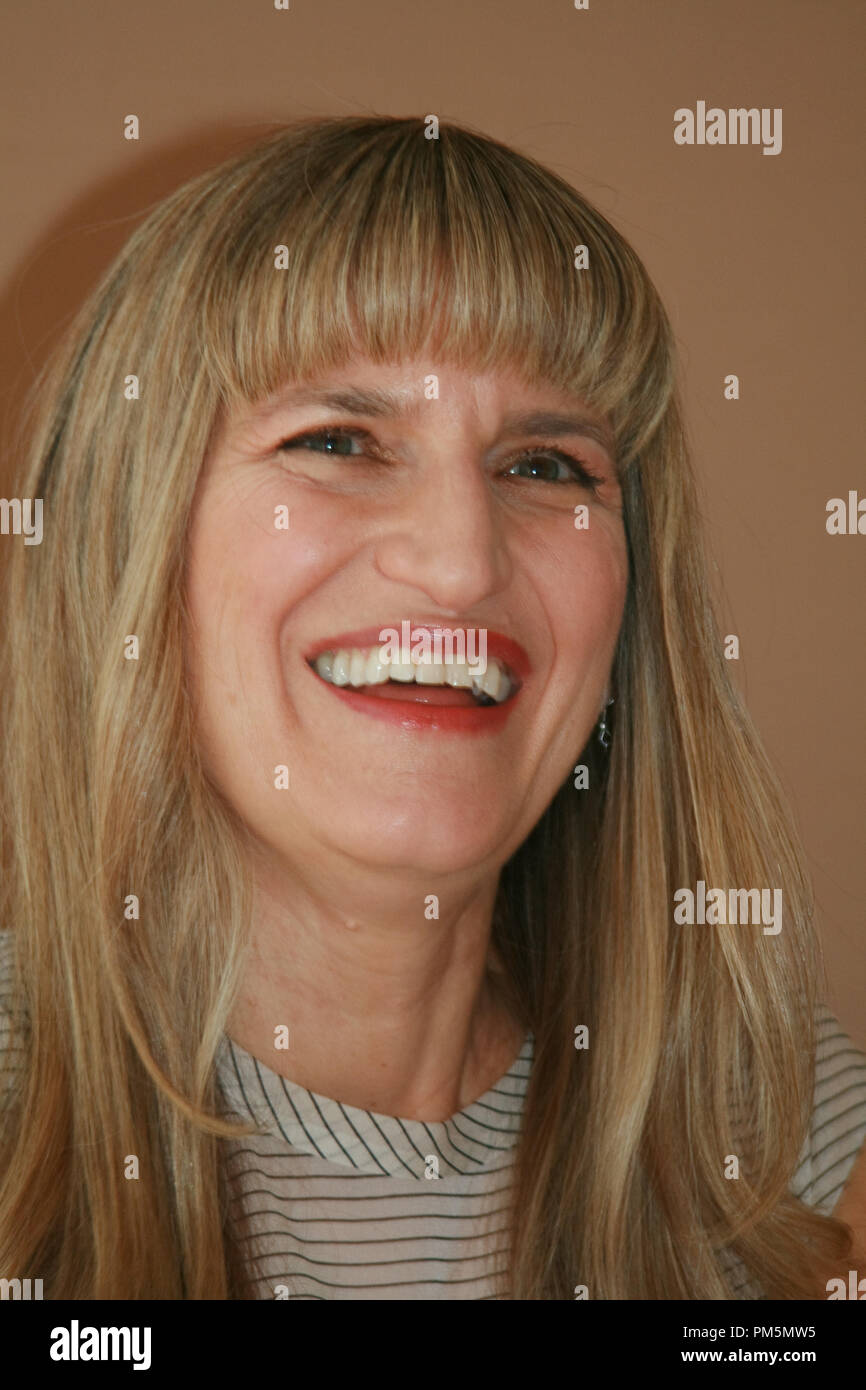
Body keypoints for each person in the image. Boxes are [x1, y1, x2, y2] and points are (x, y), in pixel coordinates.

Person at [0, 115, 863, 1300]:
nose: (460, 562)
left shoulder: (771, 1119)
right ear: (126, 544)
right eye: (340, 440)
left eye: (546, 464)